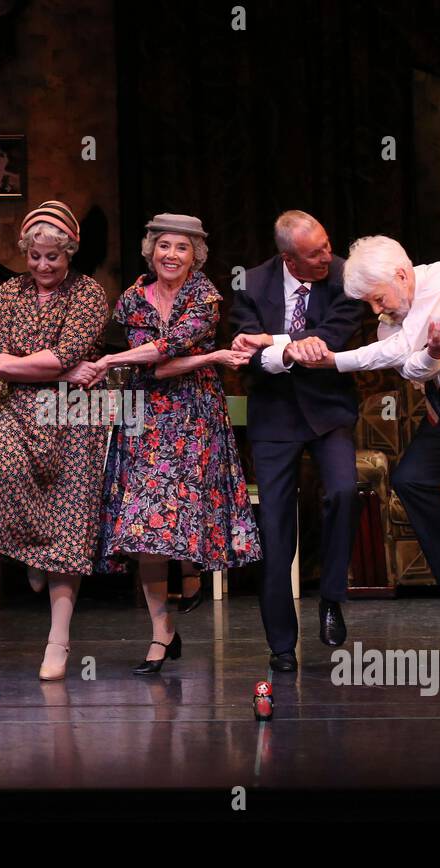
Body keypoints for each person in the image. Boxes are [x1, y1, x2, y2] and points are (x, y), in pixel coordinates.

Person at [287, 235, 440, 675]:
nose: (375, 310)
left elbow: (399, 352)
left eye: (378, 297)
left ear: (402, 276)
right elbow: (412, 367)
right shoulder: (394, 319)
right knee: (410, 479)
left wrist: (332, 361)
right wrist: (436, 352)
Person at [95, 214, 261, 674]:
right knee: (144, 526)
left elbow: (167, 351)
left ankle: (190, 581)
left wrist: (118, 358)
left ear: (196, 256)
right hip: (145, 417)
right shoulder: (131, 300)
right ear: (151, 250)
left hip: (194, 417)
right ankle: (160, 630)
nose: (172, 255)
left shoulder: (204, 296)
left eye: (182, 248)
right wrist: (208, 356)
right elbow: (157, 365)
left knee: (181, 518)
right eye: (164, 245)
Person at [0, 201, 111, 681]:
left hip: (74, 415)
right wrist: (51, 365)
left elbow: (58, 353)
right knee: (0, 470)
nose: (44, 266)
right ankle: (30, 553)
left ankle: (58, 640)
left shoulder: (89, 293)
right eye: (35, 257)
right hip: (17, 410)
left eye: (54, 257)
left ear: (69, 254)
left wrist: (23, 365)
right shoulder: (7, 293)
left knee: (69, 520)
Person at [229, 211, 366, 670]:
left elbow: (334, 336)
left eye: (327, 244)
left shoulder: (347, 276)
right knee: (276, 527)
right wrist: (286, 349)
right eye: (315, 253)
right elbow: (244, 354)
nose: (328, 256)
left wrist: (274, 340)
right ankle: (281, 644)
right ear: (289, 258)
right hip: (274, 417)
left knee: (345, 490)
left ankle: (330, 597)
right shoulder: (250, 283)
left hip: (328, 412)